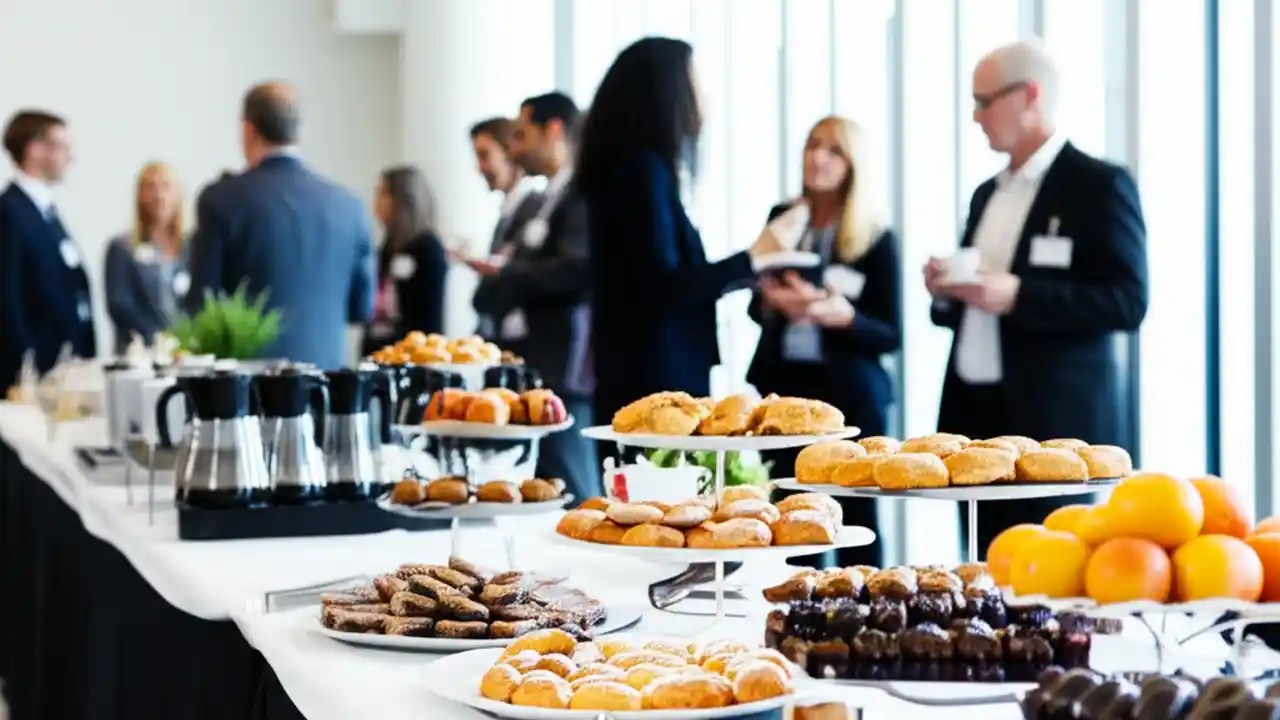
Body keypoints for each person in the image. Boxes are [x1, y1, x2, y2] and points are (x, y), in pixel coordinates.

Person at [924, 41, 1148, 553]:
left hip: (1052, 424)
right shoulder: (987, 192)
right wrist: (945, 291)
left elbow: (1128, 301)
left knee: (1049, 572)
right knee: (981, 568)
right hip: (975, 419)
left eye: (984, 101)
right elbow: (968, 309)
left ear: (1030, 96)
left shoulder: (1097, 185)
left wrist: (1021, 295)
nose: (976, 116)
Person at [574, 37, 783, 428]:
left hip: (634, 362)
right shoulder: (644, 172)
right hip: (656, 371)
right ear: (668, 90)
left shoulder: (625, 169)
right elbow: (667, 285)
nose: (704, 94)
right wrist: (753, 258)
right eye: (695, 80)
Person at [748, 116, 901, 567]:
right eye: (813, 145)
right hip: (784, 393)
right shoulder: (782, 219)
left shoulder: (874, 238)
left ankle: (868, 612)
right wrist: (775, 304)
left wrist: (844, 317)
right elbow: (752, 306)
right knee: (792, 513)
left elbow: (890, 333)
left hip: (850, 396)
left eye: (834, 150)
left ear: (854, 165)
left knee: (856, 514)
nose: (819, 158)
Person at [186, 81, 375, 368]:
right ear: (300, 131)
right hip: (328, 383)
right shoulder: (349, 204)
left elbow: (202, 304)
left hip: (250, 389)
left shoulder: (221, 200)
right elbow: (361, 308)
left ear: (247, 130)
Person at [471, 92, 598, 500]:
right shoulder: (550, 198)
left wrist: (509, 272)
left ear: (554, 130)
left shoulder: (581, 195)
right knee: (549, 482)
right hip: (541, 359)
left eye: (522, 135)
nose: (515, 147)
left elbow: (577, 271)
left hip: (567, 361)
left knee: (575, 484)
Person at [0, 110, 95, 389]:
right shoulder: (9, 213)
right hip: (34, 377)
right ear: (35, 149)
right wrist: (25, 366)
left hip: (65, 369)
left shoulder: (47, 213)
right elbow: (7, 300)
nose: (71, 157)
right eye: (61, 146)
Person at [104, 161, 191, 354]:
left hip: (186, 352)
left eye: (166, 186)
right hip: (140, 353)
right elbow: (120, 305)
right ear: (140, 195)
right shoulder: (123, 248)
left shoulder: (192, 247)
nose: (159, 195)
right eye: (151, 186)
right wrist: (159, 338)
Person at [468, 117, 543, 340]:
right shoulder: (508, 214)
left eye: (484, 155)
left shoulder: (535, 209)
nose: (480, 167)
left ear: (509, 152)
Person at [362, 165, 447, 355]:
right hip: (379, 352)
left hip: (414, 358)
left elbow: (429, 319)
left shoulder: (427, 248)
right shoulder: (386, 248)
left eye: (383, 194)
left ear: (404, 200)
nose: (376, 203)